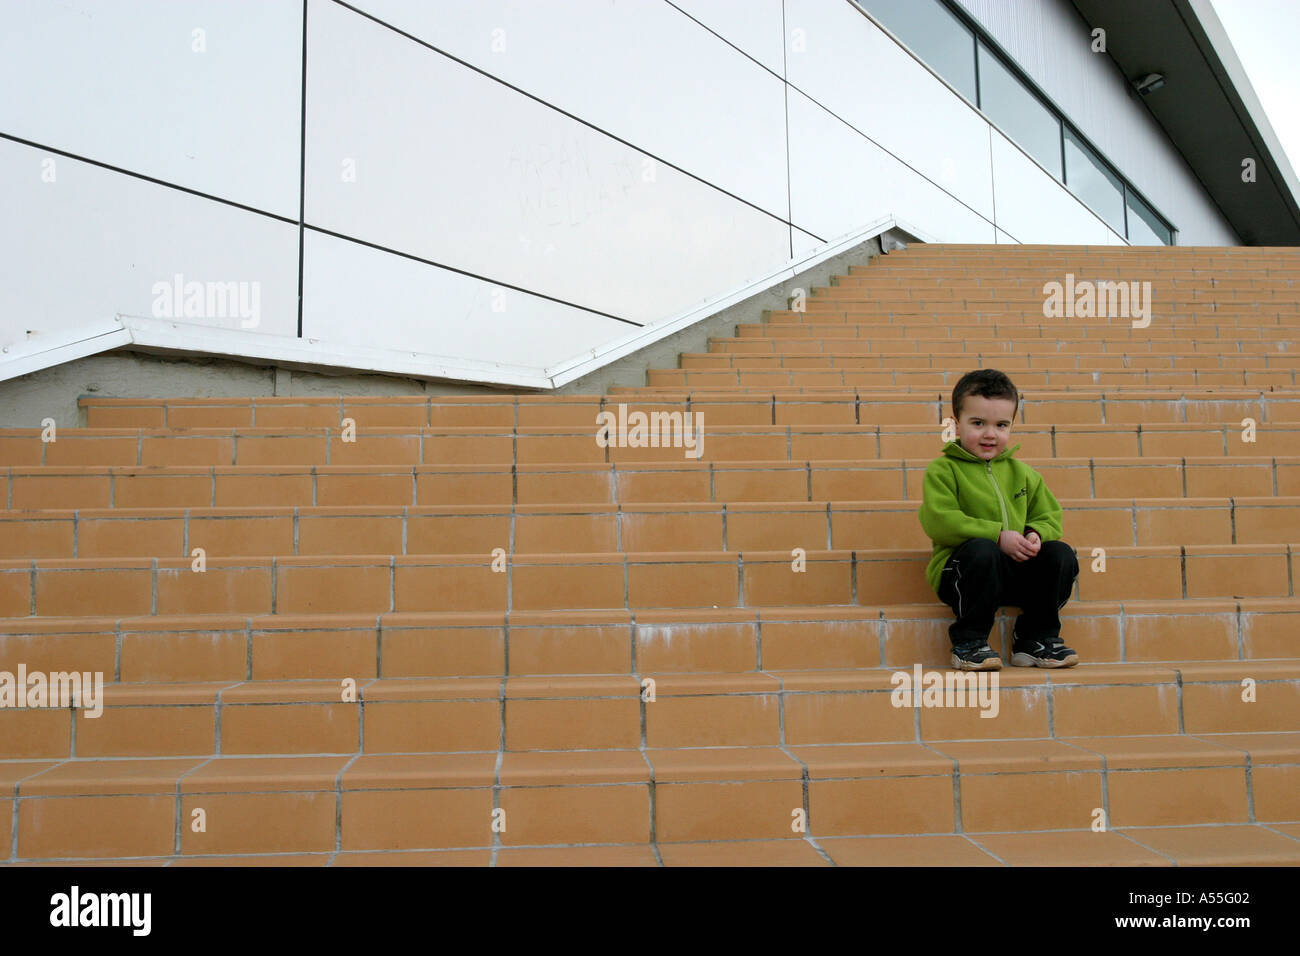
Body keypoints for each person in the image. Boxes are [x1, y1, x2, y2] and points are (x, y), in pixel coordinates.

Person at [917, 369, 1080, 671]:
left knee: (1060, 554)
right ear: (955, 425)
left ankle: (1036, 638)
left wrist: (1034, 534)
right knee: (983, 549)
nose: (990, 434)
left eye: (1001, 425)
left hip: (1014, 573)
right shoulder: (943, 470)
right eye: (978, 423)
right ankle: (970, 642)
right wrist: (997, 535)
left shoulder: (1024, 474)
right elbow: (939, 520)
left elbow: (1050, 516)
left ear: (1012, 426)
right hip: (964, 576)